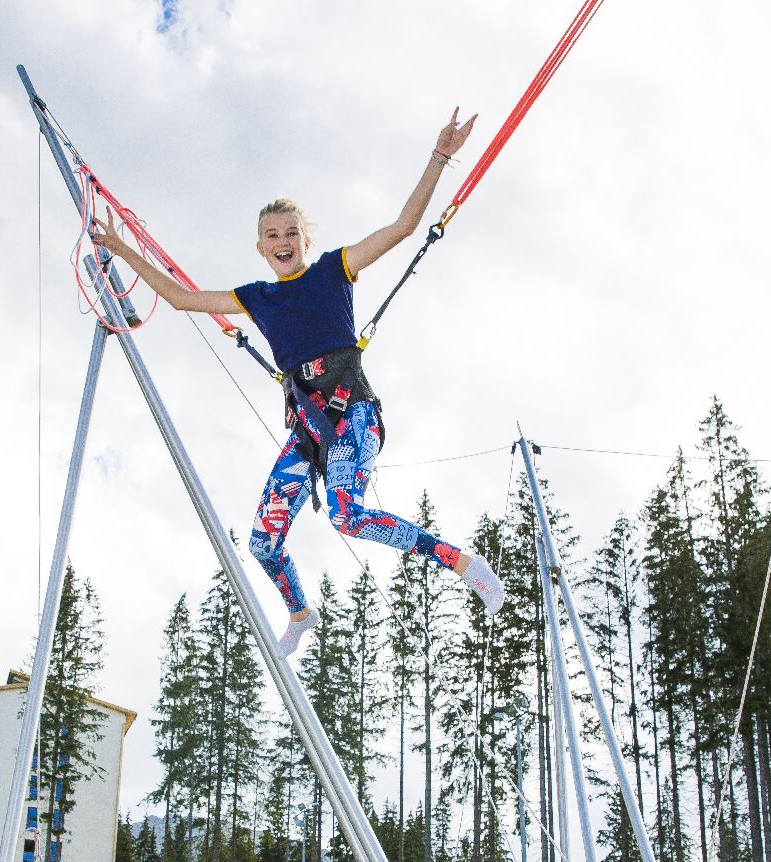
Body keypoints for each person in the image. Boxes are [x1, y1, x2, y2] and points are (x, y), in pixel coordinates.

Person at [90, 109, 506, 660]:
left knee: (346, 514)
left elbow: (403, 227)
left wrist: (439, 157)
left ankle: (462, 563)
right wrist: (121, 249)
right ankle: (300, 612)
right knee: (263, 541)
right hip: (309, 434)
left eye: (291, 233)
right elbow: (181, 298)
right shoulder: (257, 298)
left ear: (304, 239)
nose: (282, 241)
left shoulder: (335, 269)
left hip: (353, 415)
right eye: (272, 236)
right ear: (261, 248)